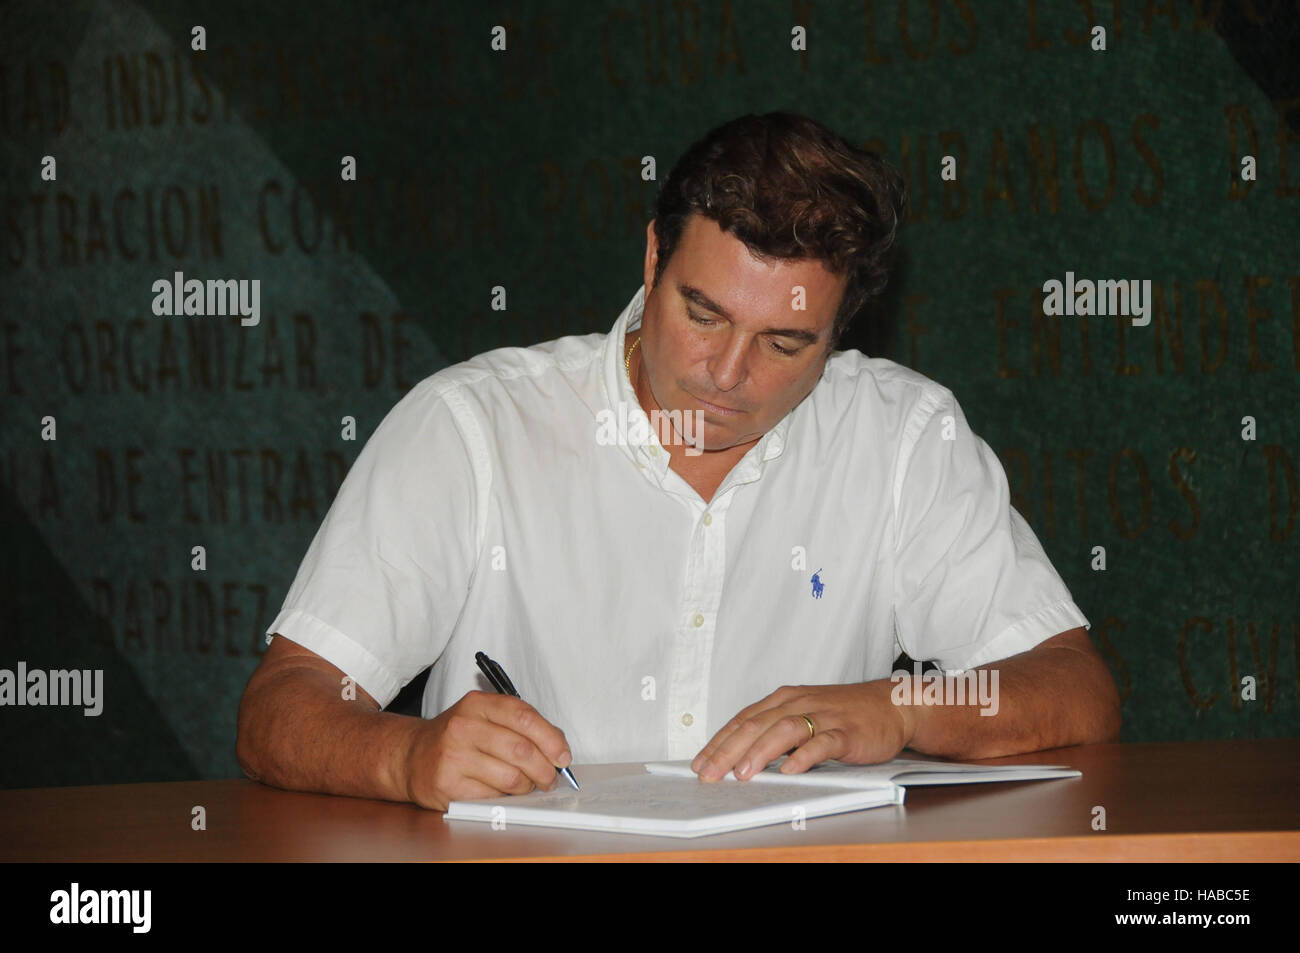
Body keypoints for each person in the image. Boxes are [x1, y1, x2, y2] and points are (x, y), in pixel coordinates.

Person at [237, 112, 1120, 812]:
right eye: (704, 315)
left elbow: (1073, 688)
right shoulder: (472, 427)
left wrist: (897, 708)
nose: (728, 378)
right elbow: (284, 704)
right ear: (654, 258)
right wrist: (407, 755)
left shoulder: (902, 437)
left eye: (784, 341)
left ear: (840, 331)